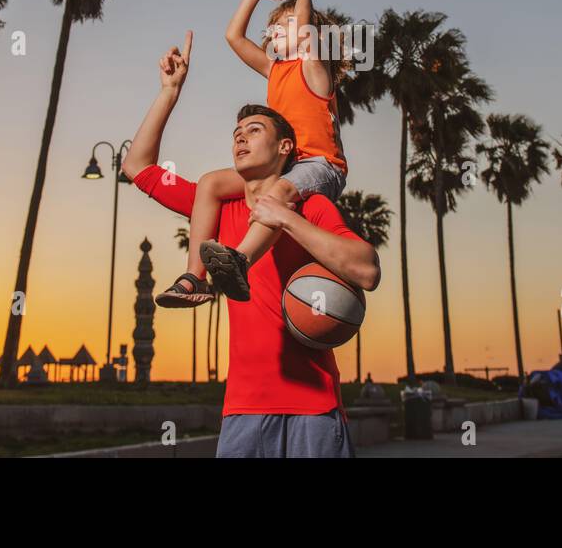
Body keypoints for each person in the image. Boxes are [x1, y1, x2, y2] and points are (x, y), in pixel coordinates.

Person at [122, 32, 380, 457]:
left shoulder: (309, 206)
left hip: (314, 408)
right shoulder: (216, 210)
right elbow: (138, 167)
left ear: (285, 147)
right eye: (236, 132)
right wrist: (169, 92)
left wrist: (286, 219)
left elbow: (367, 270)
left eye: (253, 130)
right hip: (243, 408)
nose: (239, 137)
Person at [157, 0, 349, 306]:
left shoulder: (314, 68)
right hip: (283, 164)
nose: (276, 31)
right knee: (210, 183)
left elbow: (305, 29)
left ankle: (240, 260)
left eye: (285, 25)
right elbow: (234, 37)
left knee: (279, 192)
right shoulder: (274, 70)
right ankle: (194, 277)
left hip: (320, 164)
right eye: (273, 27)